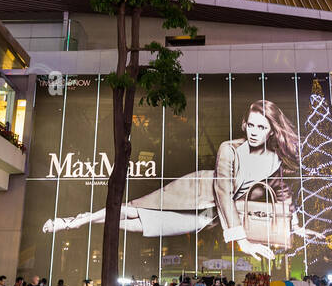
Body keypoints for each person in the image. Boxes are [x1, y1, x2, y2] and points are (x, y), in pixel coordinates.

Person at [43, 100, 310, 262]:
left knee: (140, 225)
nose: (254, 132)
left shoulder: (274, 160)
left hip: (206, 217)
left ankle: (81, 220)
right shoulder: (229, 148)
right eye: (251, 125)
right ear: (244, 124)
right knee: (134, 209)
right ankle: (75, 221)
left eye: (261, 127)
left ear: (272, 130)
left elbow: (280, 190)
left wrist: (294, 225)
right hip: (193, 192)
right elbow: (223, 193)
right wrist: (241, 240)